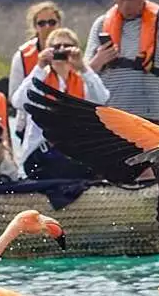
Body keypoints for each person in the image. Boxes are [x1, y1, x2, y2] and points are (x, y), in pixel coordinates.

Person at [12, 26, 109, 180]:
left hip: (73, 153)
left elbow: (102, 98)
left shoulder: (83, 80)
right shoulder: (39, 78)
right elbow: (18, 101)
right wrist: (39, 66)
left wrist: (83, 68)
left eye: (67, 47)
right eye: (56, 47)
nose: (62, 50)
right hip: (42, 155)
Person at [7, 0, 62, 96]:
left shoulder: (70, 50)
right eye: (41, 23)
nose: (47, 27)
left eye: (52, 22)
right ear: (35, 27)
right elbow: (13, 95)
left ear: (59, 24)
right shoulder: (22, 55)